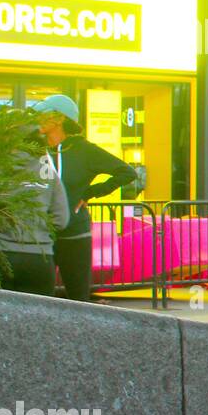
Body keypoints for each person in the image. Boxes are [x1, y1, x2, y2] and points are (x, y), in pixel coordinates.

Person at [33, 94, 137, 302]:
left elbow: (127, 172)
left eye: (42, 114)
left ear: (59, 119)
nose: (37, 119)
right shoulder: (35, 150)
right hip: (41, 236)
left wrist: (90, 193)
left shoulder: (84, 150)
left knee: (78, 299)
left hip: (75, 235)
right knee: (39, 299)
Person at [0, 114, 70, 296]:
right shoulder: (48, 171)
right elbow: (62, 219)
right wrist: (38, 230)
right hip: (40, 258)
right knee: (39, 320)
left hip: (3, 254)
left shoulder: (1, 167)